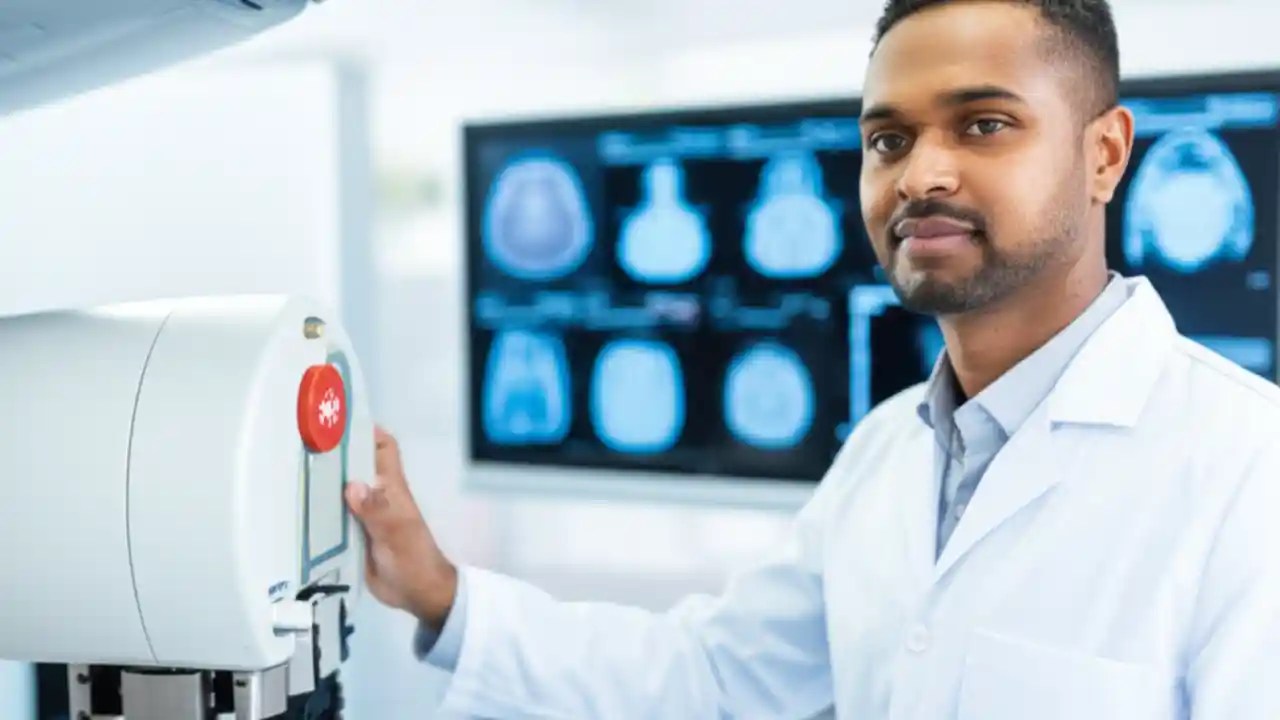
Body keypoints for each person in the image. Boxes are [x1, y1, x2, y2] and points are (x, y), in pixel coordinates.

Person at [345, 0, 1280, 717]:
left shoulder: (1248, 469)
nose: (920, 175)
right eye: (887, 140)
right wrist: (440, 593)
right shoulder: (888, 449)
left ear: (1106, 155)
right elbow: (716, 678)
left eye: (985, 125)